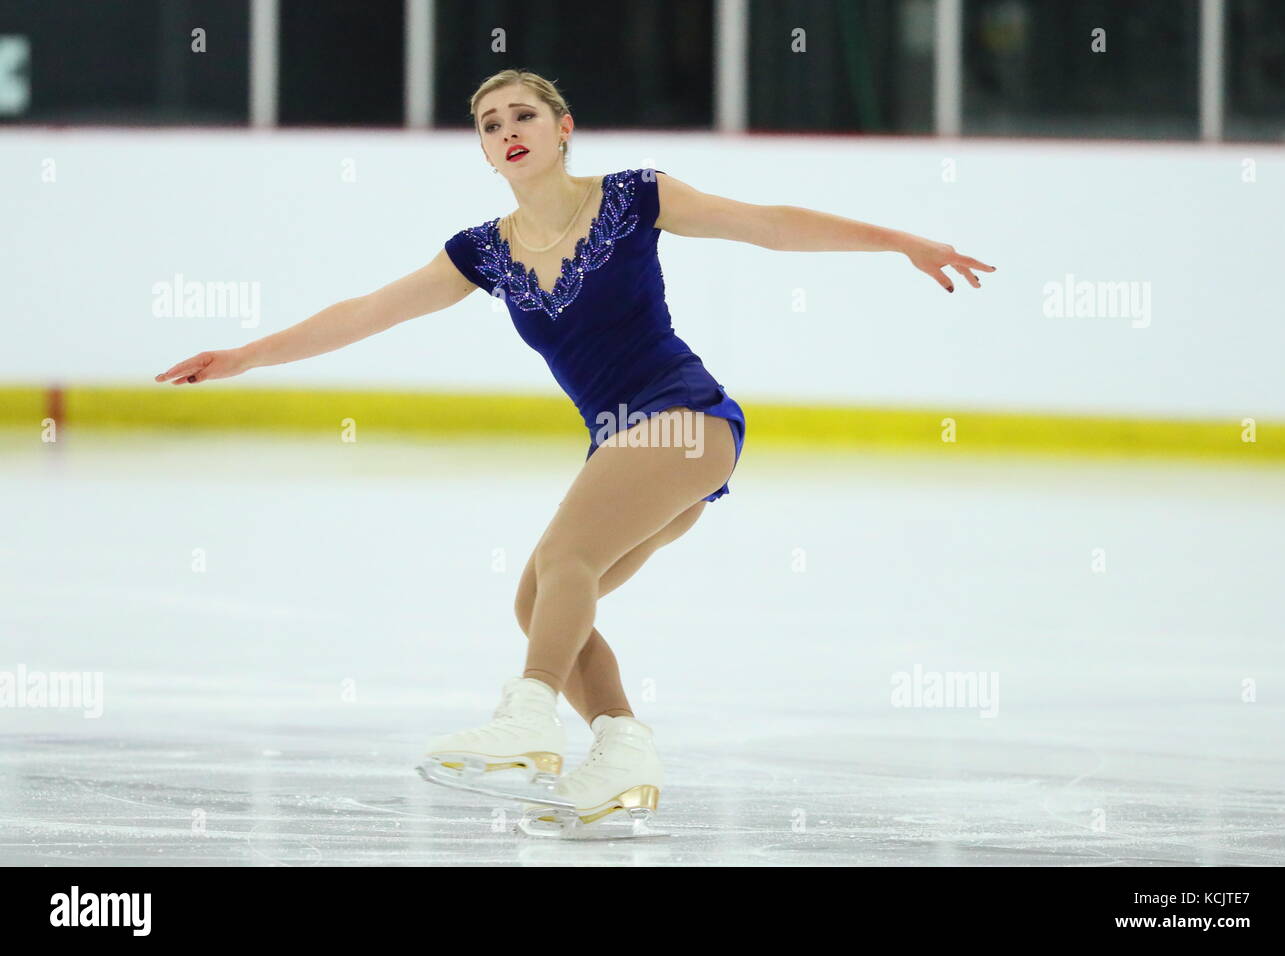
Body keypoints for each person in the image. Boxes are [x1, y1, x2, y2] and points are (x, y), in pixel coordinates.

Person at [154, 68, 995, 838]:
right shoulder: (482, 252)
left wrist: (900, 240)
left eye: (524, 115)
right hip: (629, 445)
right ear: (485, 151)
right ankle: (622, 747)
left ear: (563, 129)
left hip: (684, 420)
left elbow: (767, 225)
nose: (507, 130)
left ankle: (530, 713)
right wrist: (242, 357)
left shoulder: (634, 198)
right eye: (489, 124)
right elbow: (366, 311)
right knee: (545, 597)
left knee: (564, 556)